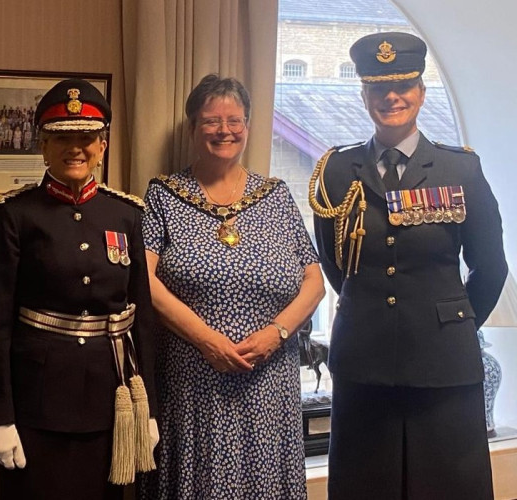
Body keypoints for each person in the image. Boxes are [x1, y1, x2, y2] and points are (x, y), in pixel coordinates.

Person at [310, 32, 508, 499]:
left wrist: (449, 320)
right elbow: (335, 263)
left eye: (402, 86)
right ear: (363, 95)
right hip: (364, 360)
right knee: (366, 485)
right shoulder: (337, 171)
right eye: (378, 88)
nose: (391, 97)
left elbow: (491, 267)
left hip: (444, 364)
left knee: (448, 485)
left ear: (420, 92)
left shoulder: (460, 170)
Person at [139, 74, 325, 499]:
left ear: (248, 126)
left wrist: (276, 334)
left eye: (235, 120)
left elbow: (314, 283)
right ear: (191, 128)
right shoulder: (164, 197)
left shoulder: (276, 196)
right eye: (211, 121)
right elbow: (143, 281)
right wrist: (207, 340)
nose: (225, 130)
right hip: (193, 380)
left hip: (270, 379)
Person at [0, 78, 159, 499]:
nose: (74, 147)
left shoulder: (126, 215)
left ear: (103, 145)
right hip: (37, 405)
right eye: (61, 138)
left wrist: (148, 408)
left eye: (86, 137)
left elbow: (143, 320)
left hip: (110, 403)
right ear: (42, 146)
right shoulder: (16, 215)